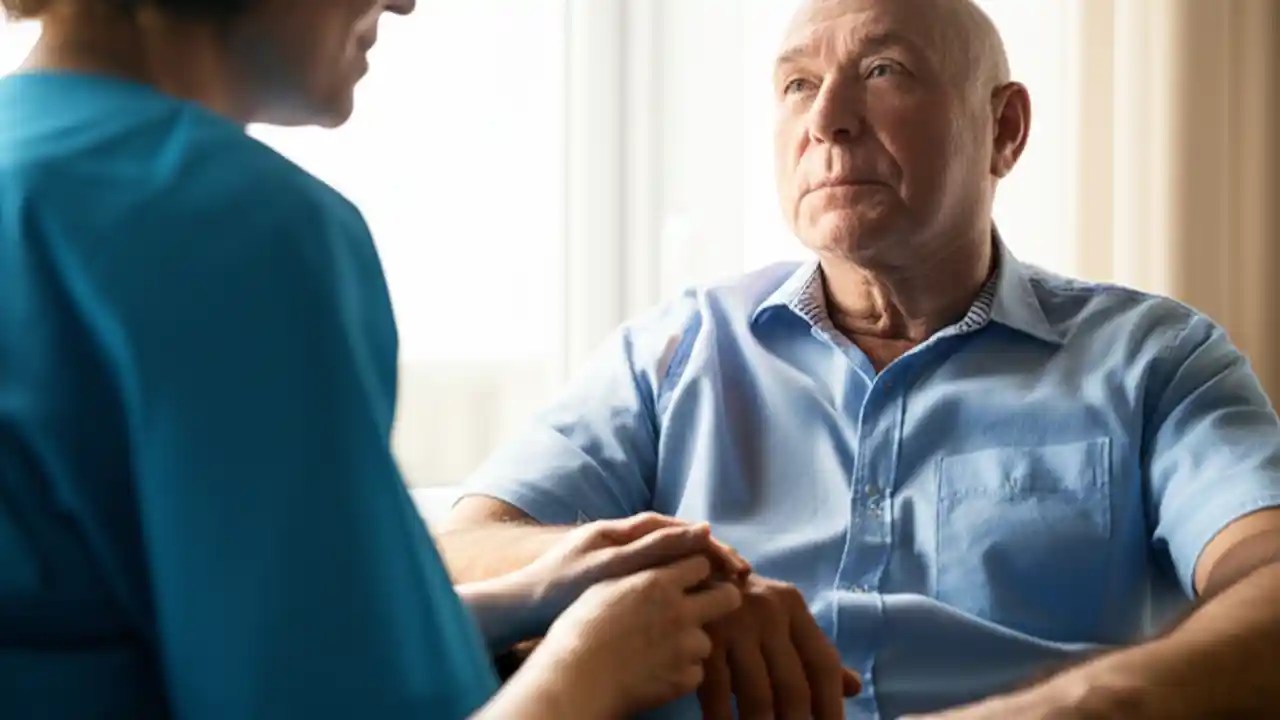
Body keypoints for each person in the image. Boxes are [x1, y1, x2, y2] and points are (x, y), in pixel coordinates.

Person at [439, 0, 1280, 717]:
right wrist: (675, 578)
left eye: (883, 70)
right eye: (798, 84)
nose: (826, 119)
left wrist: (1080, 705)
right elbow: (459, 551)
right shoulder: (671, 353)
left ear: (1005, 129)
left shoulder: (1156, 359)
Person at [0, 1, 745, 718]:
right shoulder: (235, 227)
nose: (405, 2)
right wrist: (590, 669)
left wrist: (529, 591)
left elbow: (120, 623)